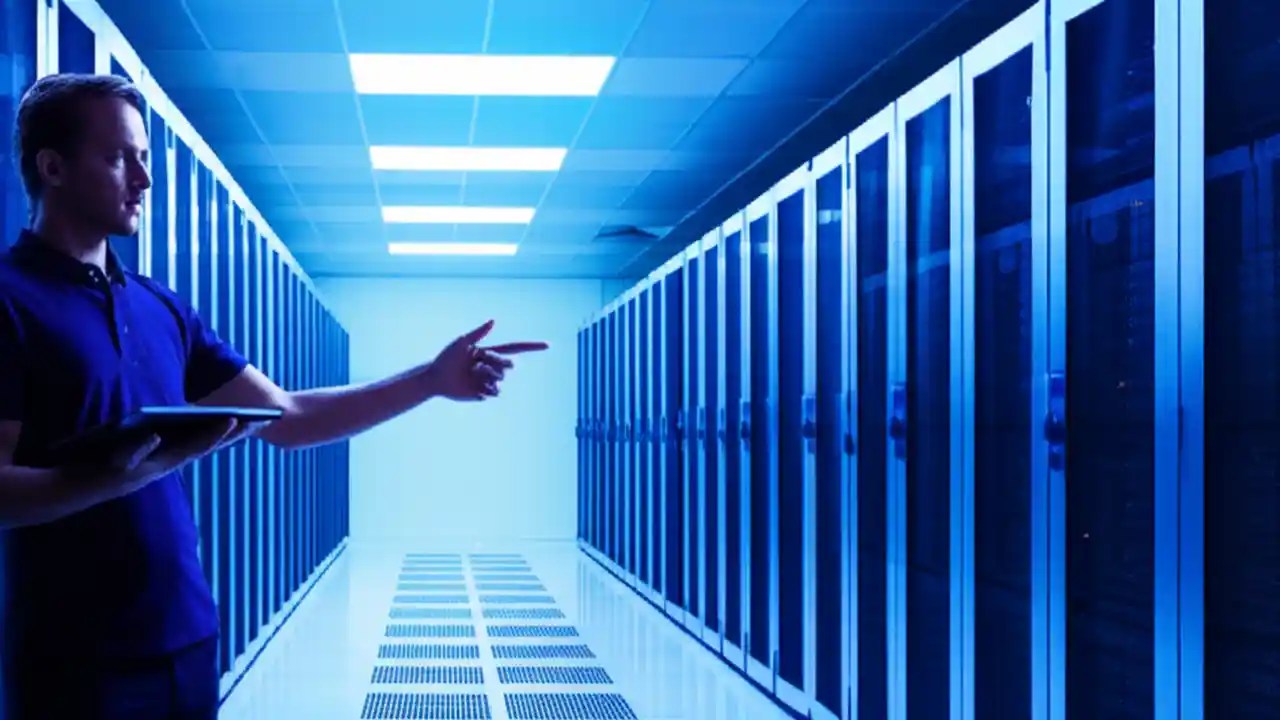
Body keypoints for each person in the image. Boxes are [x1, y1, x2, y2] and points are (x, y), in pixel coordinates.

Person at [0, 72, 548, 719]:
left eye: (145, 158)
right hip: (73, 661)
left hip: (187, 640)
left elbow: (286, 418)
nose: (144, 179)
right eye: (121, 157)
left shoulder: (161, 308)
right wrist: (127, 476)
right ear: (53, 167)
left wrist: (429, 380)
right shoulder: (10, 300)